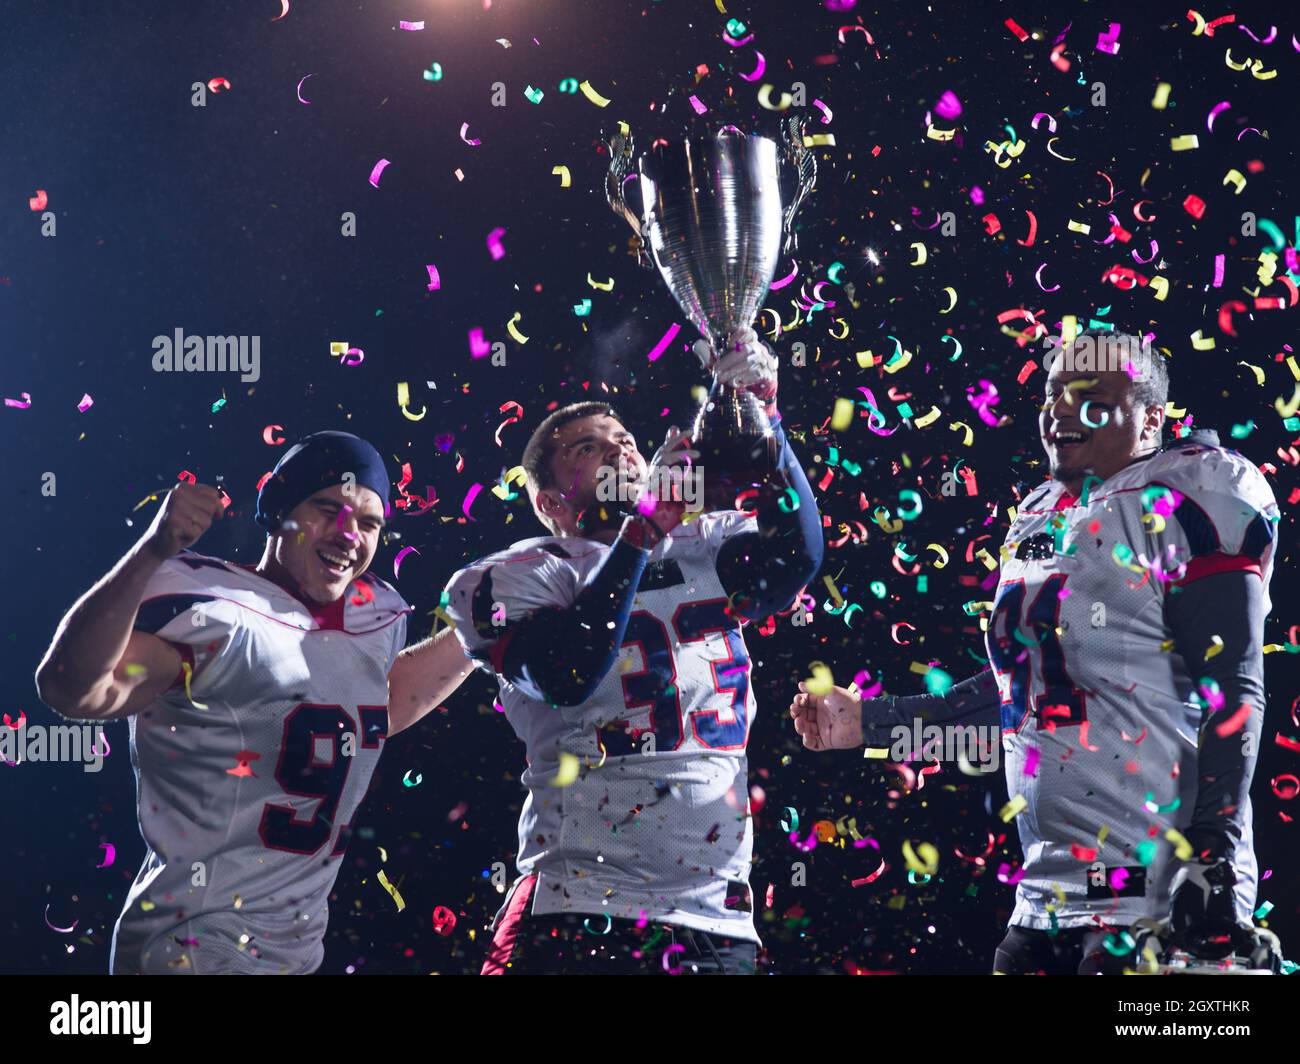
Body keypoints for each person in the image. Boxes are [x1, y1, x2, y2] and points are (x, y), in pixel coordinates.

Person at [790, 333, 1284, 974]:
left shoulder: (1189, 494)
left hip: (1154, 894)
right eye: (1054, 392)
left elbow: (1235, 689)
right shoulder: (1039, 516)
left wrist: (1212, 856)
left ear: (1151, 419)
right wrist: (872, 723)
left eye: (1092, 396)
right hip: (1045, 897)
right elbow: (1018, 694)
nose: (1061, 409)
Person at [444, 328, 823, 974]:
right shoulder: (513, 576)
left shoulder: (703, 543)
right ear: (547, 501)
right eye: (587, 449)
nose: (617, 452)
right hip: (578, 907)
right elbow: (567, 671)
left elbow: (797, 557)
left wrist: (767, 424)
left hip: (714, 916)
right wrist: (641, 532)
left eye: (623, 439)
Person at [35, 431, 473, 974]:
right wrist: (151, 553)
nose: (349, 535)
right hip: (194, 944)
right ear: (279, 511)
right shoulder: (218, 612)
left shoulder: (373, 614)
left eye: (368, 522)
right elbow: (72, 688)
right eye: (328, 508)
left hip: (294, 953)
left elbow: (375, 707)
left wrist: (479, 632)